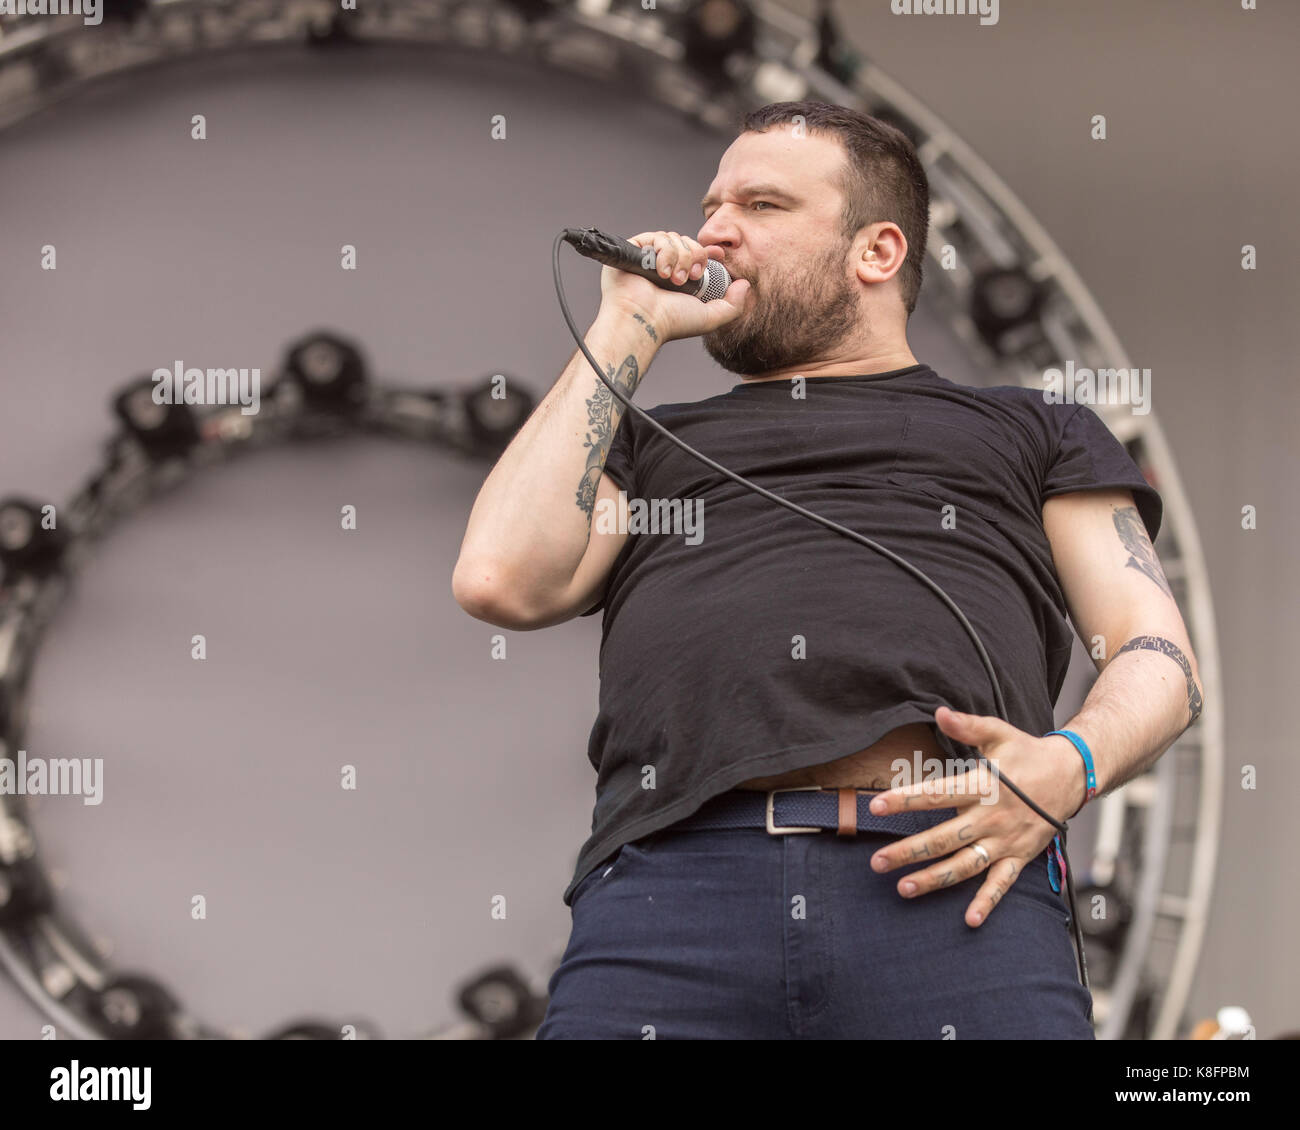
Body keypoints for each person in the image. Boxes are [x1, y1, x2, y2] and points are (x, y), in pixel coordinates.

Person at [452, 100, 1204, 1039]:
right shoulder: (653, 446)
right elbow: (502, 579)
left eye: (761, 205)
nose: (713, 229)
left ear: (876, 252)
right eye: (711, 203)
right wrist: (625, 329)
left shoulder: (1035, 431)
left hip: (951, 871)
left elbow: (1156, 654)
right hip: (673, 893)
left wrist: (1072, 763)